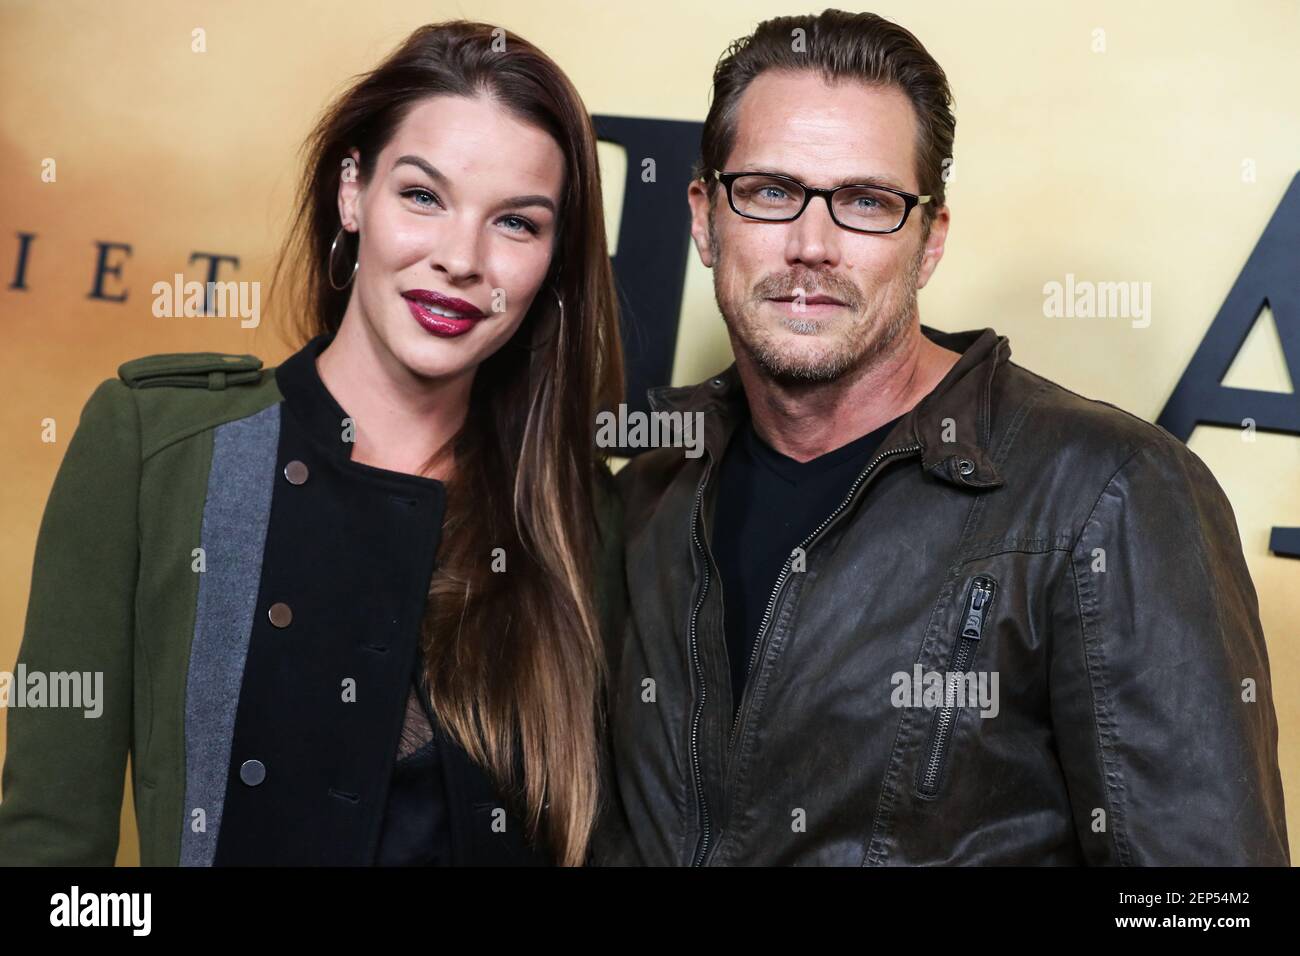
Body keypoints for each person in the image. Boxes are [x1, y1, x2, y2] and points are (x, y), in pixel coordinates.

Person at [593, 9, 1290, 865]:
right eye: (770, 192)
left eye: (866, 202)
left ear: (929, 244)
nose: (812, 245)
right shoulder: (648, 492)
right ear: (705, 217)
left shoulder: (1110, 493)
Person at [0, 20, 625, 867]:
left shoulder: (583, 517)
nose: (461, 259)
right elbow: (50, 840)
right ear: (351, 193)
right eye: (422, 195)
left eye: (516, 223)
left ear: (553, 259)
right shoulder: (155, 446)